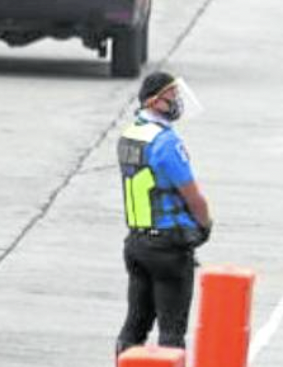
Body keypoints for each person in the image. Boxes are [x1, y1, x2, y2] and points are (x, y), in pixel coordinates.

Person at [115, 72, 212, 355]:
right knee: (171, 331)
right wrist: (204, 225)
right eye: (172, 95)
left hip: (136, 242)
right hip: (168, 246)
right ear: (156, 101)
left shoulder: (130, 135)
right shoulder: (166, 143)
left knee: (134, 325)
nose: (177, 101)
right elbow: (193, 197)